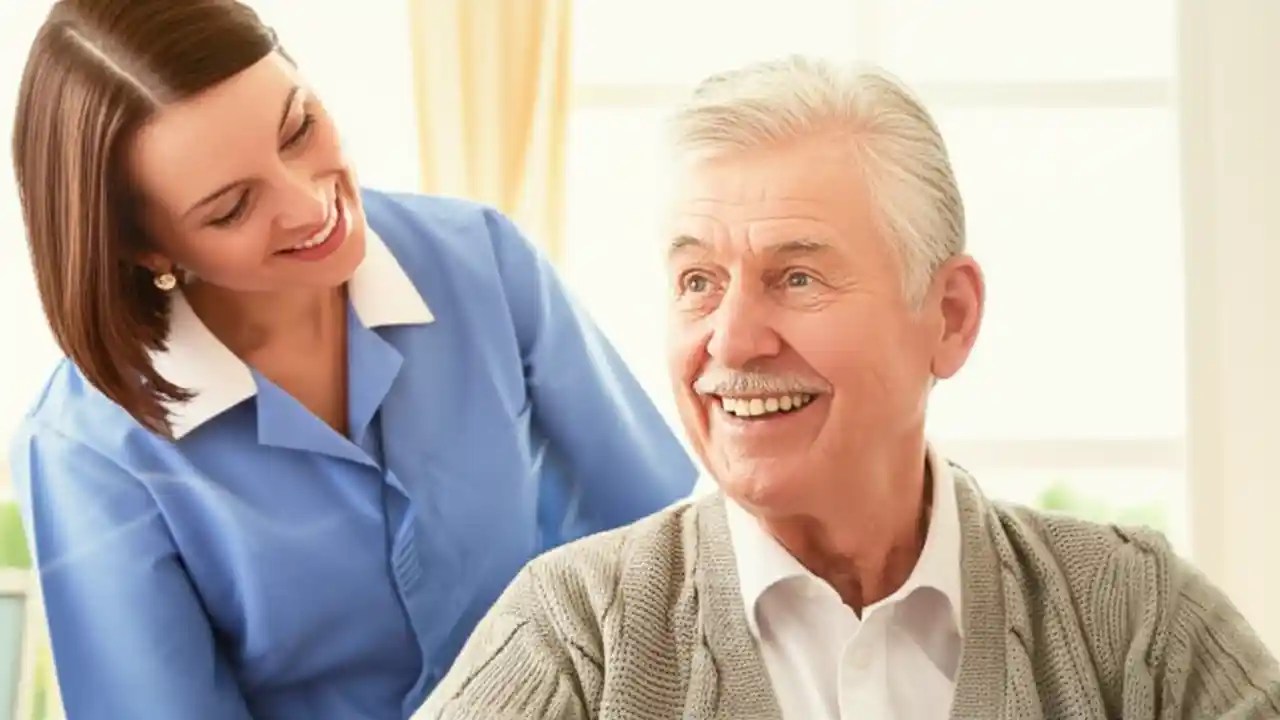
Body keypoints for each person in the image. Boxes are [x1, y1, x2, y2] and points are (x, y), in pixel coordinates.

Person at [421, 57, 1280, 720]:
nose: (731, 339)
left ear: (948, 316)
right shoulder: (576, 635)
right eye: (697, 281)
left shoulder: (1135, 622)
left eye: (796, 278)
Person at [7, 1, 695, 718]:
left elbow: (660, 555)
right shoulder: (85, 450)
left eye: (298, 128)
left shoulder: (479, 260)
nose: (309, 205)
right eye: (232, 208)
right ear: (147, 250)